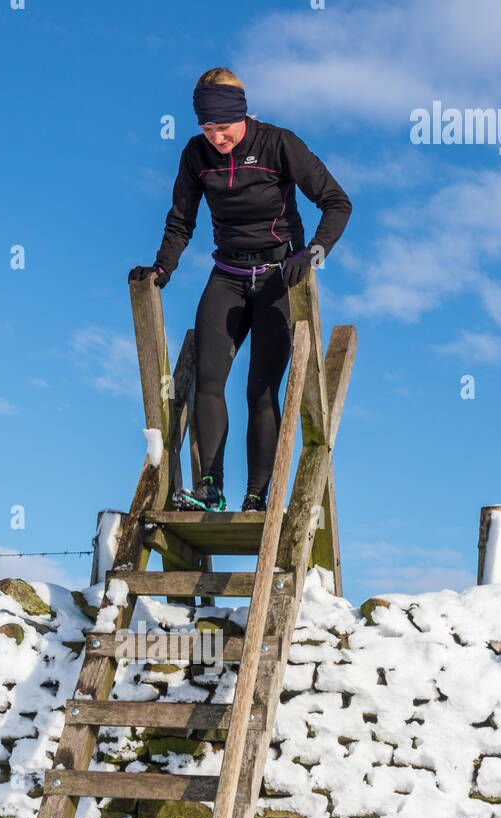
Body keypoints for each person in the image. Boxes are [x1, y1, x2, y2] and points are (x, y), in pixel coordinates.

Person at [129, 67, 352, 513]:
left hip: (277, 278)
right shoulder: (196, 155)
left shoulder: (278, 143)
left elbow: (337, 202)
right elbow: (181, 220)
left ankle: (256, 498)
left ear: (242, 116)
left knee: (261, 390)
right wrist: (162, 267)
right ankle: (209, 487)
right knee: (208, 383)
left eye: (224, 127)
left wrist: (310, 255)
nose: (217, 138)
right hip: (227, 275)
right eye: (207, 128)